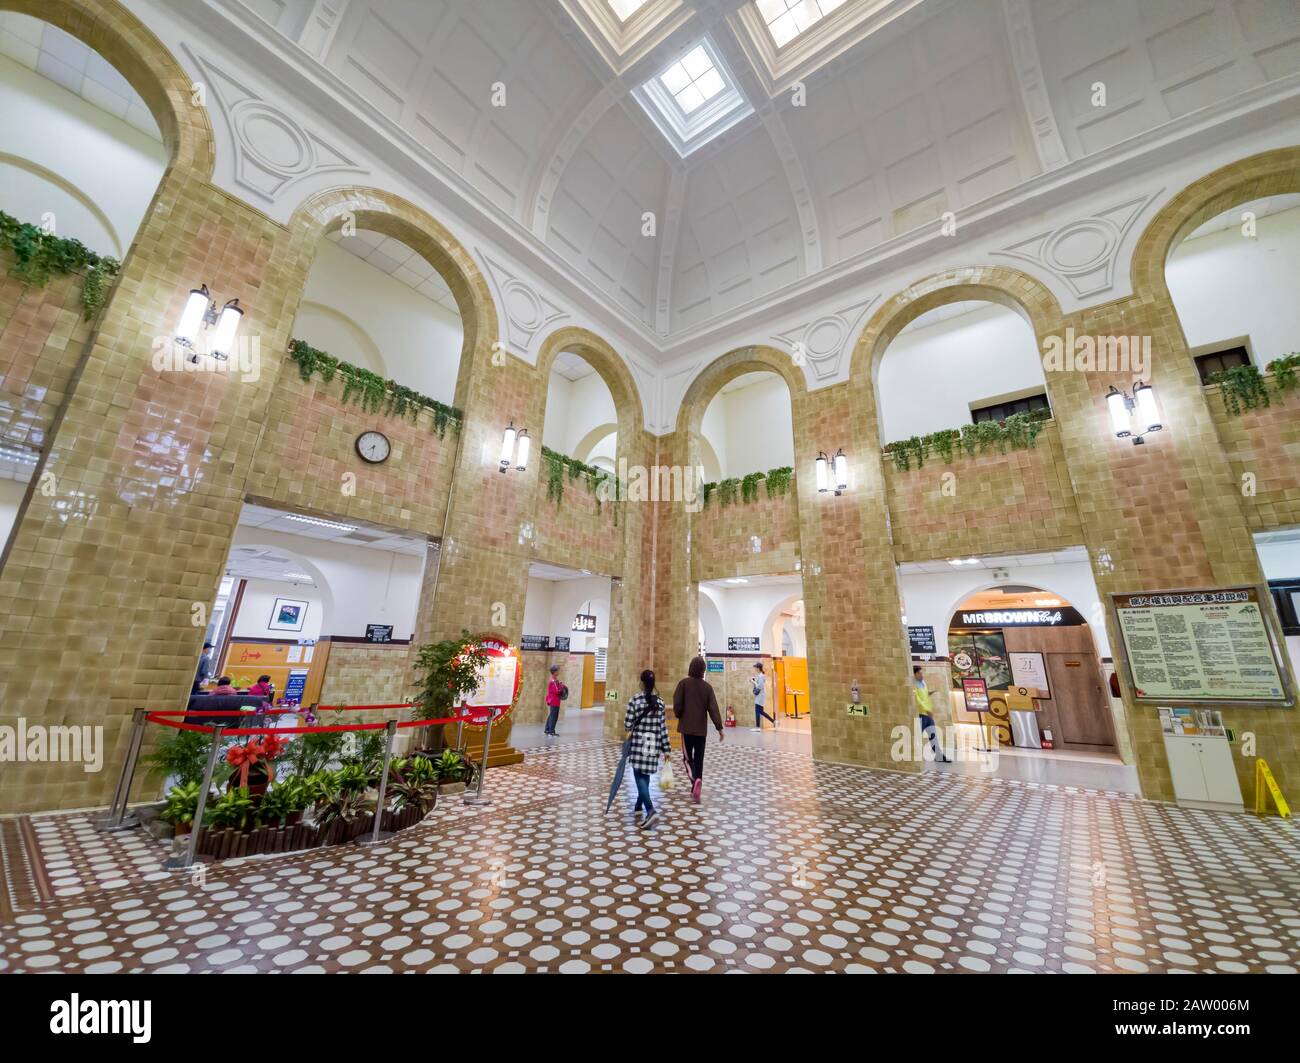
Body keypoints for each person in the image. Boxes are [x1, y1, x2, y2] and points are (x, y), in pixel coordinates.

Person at [673, 655, 723, 803]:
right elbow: (713, 708)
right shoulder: (707, 688)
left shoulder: (683, 684)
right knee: (699, 758)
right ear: (703, 670)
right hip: (701, 730)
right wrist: (719, 727)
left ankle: (694, 781)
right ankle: (699, 779)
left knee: (688, 759)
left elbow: (677, 704)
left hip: (686, 729)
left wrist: (679, 714)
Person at [624, 669, 670, 829]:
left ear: (641, 682)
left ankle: (650, 810)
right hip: (653, 746)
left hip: (638, 746)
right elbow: (662, 728)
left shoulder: (634, 700)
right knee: (646, 775)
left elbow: (628, 725)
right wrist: (667, 750)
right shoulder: (661, 702)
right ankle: (638, 807)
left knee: (639, 776)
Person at [913, 665, 949, 763]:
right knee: (917, 737)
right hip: (921, 714)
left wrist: (929, 693)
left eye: (922, 673)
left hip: (928, 714)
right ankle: (914, 757)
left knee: (933, 736)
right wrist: (926, 710)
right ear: (915, 674)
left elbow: (923, 696)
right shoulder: (913, 685)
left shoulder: (923, 683)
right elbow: (917, 700)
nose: (922, 675)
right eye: (920, 673)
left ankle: (939, 756)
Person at [751, 662, 776, 732]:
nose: (755, 668)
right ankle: (772, 721)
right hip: (760, 696)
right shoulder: (760, 675)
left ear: (758, 668)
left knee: (758, 711)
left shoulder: (761, 676)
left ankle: (758, 727)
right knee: (760, 711)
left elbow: (760, 686)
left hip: (760, 696)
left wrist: (753, 682)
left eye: (755, 667)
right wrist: (755, 681)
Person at [544, 664, 564, 737]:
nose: (558, 672)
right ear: (554, 672)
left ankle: (547, 729)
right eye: (557, 670)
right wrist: (562, 686)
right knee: (554, 716)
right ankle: (551, 731)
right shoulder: (554, 681)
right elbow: (557, 691)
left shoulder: (554, 680)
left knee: (551, 715)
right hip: (555, 701)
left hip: (553, 700)